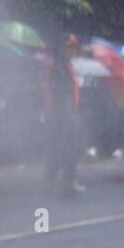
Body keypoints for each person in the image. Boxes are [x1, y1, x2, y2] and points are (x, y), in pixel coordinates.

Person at [43, 33, 84, 195]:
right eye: (71, 47)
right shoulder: (60, 66)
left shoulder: (65, 65)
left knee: (61, 147)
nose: (74, 50)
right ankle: (64, 180)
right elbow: (62, 93)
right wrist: (70, 114)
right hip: (61, 113)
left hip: (63, 112)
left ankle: (59, 180)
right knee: (65, 147)